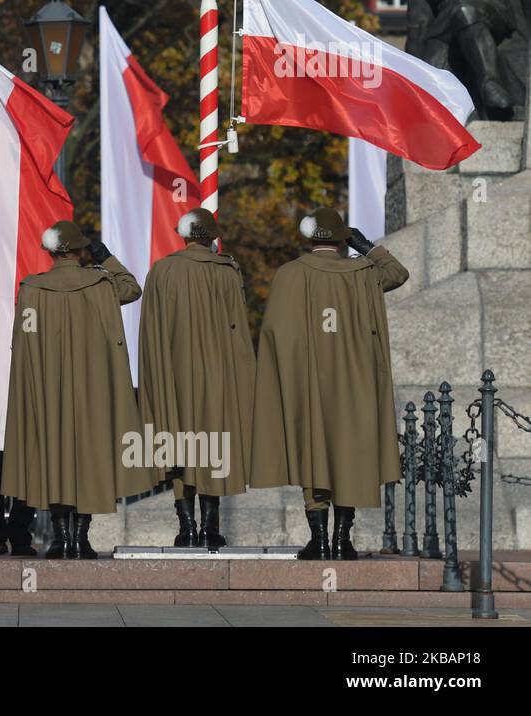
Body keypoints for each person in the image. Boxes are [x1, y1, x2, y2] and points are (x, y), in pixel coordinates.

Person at [250, 208, 410, 560]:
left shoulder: (289, 274)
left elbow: (276, 334)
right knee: (349, 454)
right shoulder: (362, 273)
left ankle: (319, 540)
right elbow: (398, 273)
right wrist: (366, 246)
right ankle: (342, 540)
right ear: (341, 238)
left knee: (314, 453)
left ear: (309, 237)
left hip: (308, 381)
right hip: (354, 380)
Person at [1, 220, 153, 559]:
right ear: (79, 250)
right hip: (92, 387)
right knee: (89, 457)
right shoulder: (100, 285)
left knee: (54, 456)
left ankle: (60, 539)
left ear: (52, 252)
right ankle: (81, 539)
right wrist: (106, 257)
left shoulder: (32, 289)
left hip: (49, 387)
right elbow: (132, 288)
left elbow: (25, 337)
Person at [137, 208, 277, 550]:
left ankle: (186, 528)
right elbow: (237, 332)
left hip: (174, 373)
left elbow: (152, 331)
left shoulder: (162, 270)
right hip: (217, 374)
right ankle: (210, 528)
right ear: (212, 237)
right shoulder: (226, 271)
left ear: (185, 235)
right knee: (213, 446)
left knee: (179, 445)